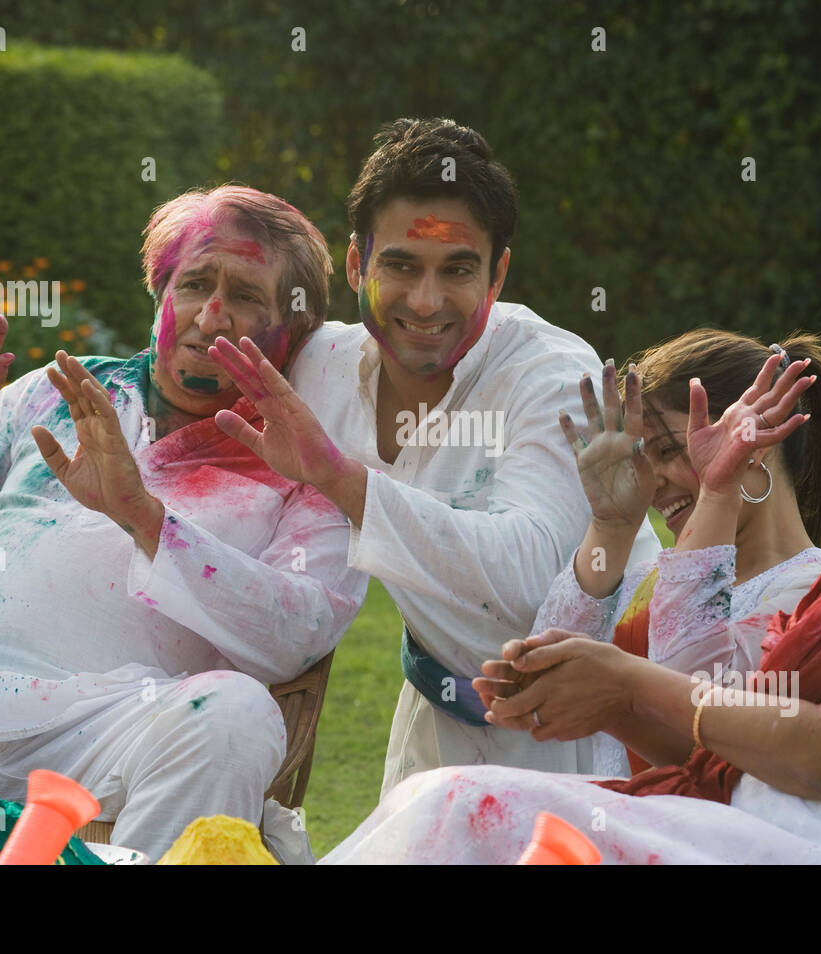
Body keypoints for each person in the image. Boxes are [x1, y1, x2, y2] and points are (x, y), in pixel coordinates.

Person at [322, 291, 821, 864]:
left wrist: (625, 685)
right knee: (453, 805)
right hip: (778, 833)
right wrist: (629, 526)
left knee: (458, 808)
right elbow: (683, 733)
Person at [0, 185, 367, 859]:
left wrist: (144, 518)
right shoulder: (54, 390)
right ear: (161, 294)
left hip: (110, 734)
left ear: (294, 328)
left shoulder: (313, 461)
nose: (211, 314)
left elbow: (296, 634)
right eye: (193, 284)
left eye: (245, 295)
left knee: (235, 716)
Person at [206, 117, 661, 791]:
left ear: (497, 274)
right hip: (439, 716)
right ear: (357, 264)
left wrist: (341, 479)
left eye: (457, 270)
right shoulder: (320, 369)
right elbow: (179, 392)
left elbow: (531, 584)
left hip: (605, 733)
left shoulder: (553, 375)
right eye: (399, 265)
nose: (425, 302)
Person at [477, 330, 821, 779]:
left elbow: (695, 719)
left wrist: (717, 491)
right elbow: (544, 684)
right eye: (642, 458)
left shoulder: (816, 594)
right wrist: (611, 527)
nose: (650, 483)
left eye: (669, 451)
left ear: (758, 442)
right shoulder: (647, 582)